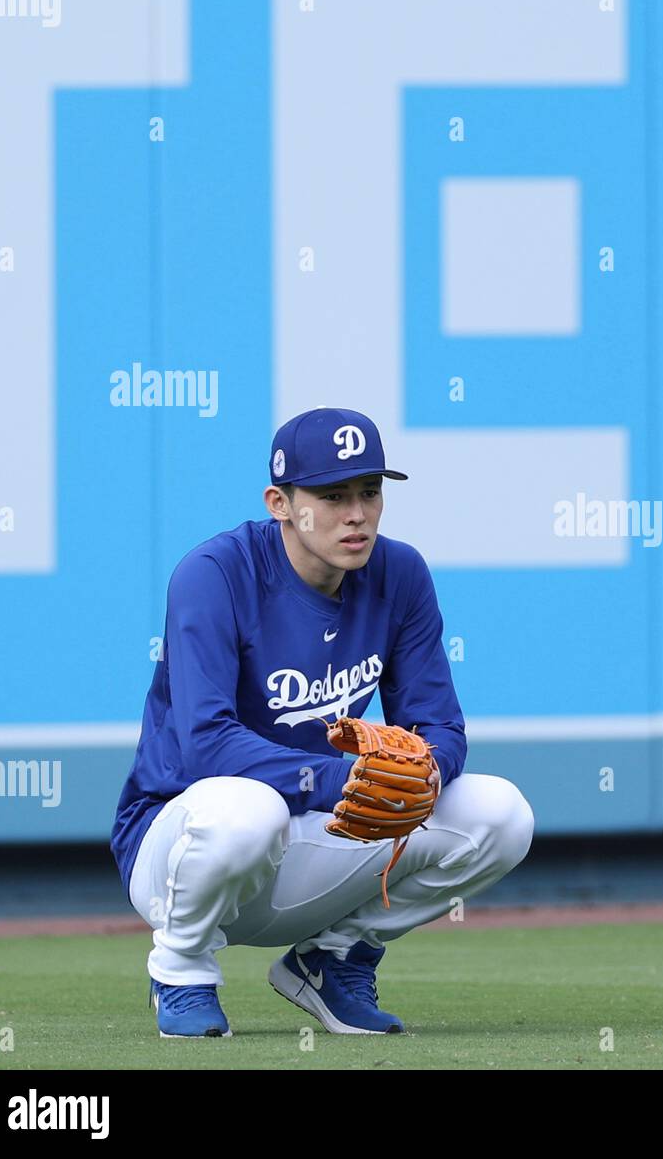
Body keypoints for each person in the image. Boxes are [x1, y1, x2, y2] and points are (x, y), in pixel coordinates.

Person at [111, 407, 535, 1037]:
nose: (357, 513)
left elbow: (440, 726)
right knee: (244, 809)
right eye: (332, 496)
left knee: (500, 814)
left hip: (312, 842)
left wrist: (422, 769)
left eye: (369, 492)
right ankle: (182, 967)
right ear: (280, 502)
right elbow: (206, 747)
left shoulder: (400, 574)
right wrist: (351, 777)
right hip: (182, 844)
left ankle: (332, 960)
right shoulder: (215, 574)